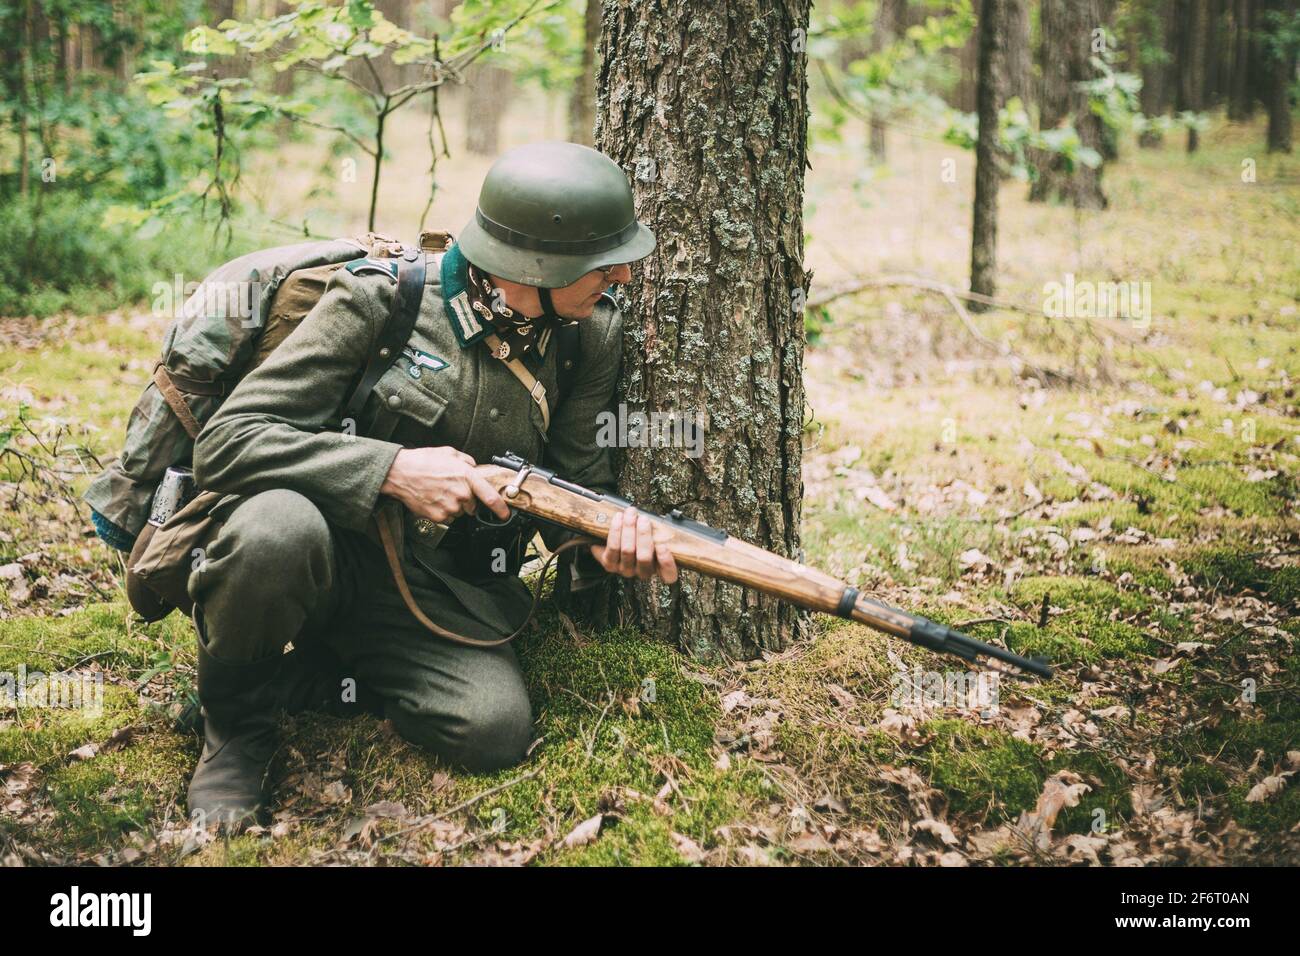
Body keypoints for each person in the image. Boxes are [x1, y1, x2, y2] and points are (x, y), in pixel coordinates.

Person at [184, 141, 676, 828]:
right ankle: (234, 727)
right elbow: (228, 441)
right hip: (317, 552)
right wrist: (390, 470)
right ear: (535, 266)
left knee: (494, 730)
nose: (622, 275)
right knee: (275, 532)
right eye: (602, 262)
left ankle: (307, 677)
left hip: (439, 590)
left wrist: (605, 542)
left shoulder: (585, 336)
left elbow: (573, 485)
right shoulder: (382, 302)